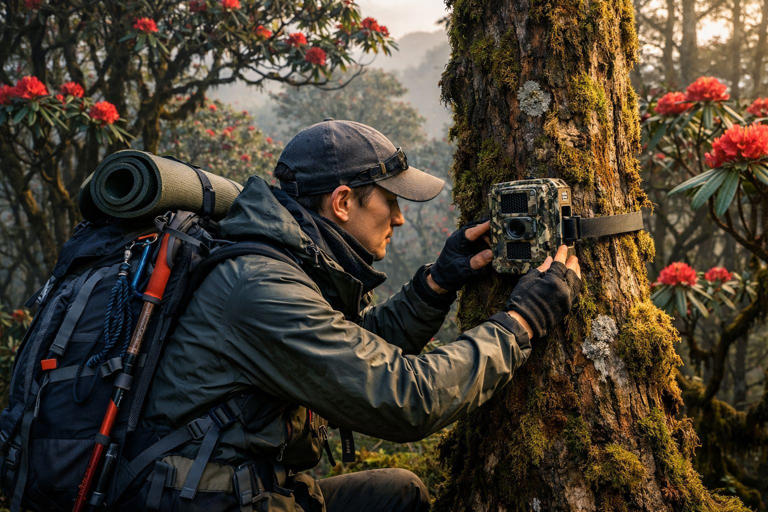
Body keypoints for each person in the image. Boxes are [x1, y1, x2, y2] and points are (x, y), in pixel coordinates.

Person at [124, 120, 581, 511]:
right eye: (392, 202)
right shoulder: (261, 288)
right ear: (342, 202)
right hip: (203, 500)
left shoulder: (284, 263)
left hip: (236, 488)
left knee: (397, 495)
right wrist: (521, 322)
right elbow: (405, 398)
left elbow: (354, 345)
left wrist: (437, 283)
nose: (399, 219)